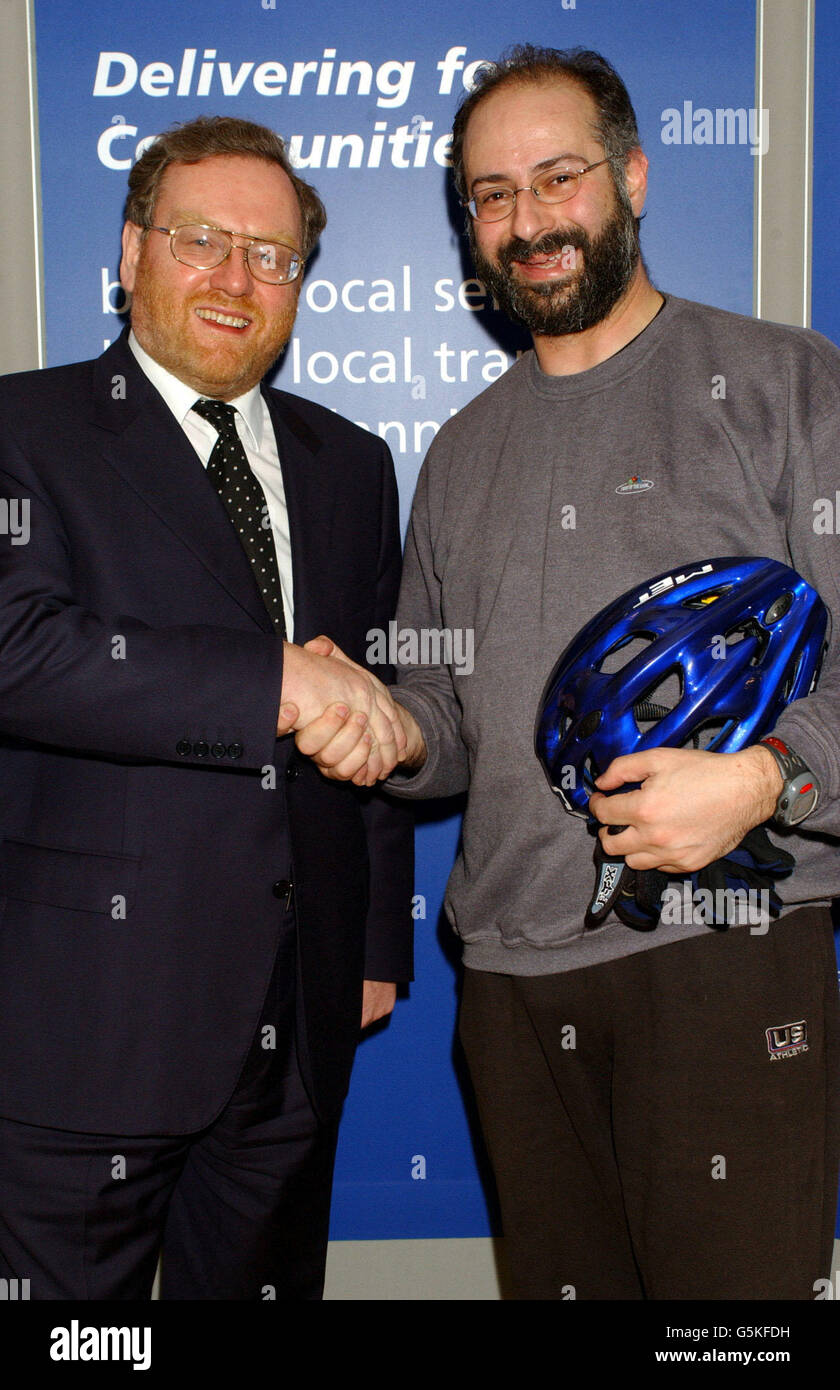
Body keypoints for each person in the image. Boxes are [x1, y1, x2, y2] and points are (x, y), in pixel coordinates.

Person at [291, 48, 840, 1300]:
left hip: (725, 952)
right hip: (514, 986)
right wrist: (378, 719)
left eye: (557, 177)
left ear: (632, 177)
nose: (528, 220)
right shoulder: (464, 453)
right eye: (492, 194)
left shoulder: (784, 383)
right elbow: (453, 721)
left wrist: (763, 783)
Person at [0, 115, 413, 1301]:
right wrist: (276, 680)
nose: (237, 280)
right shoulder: (22, 431)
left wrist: (376, 934)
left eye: (272, 256)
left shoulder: (351, 464)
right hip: (83, 1020)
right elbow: (20, 650)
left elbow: (371, 696)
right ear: (132, 254)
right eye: (201, 240)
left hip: (296, 1015)